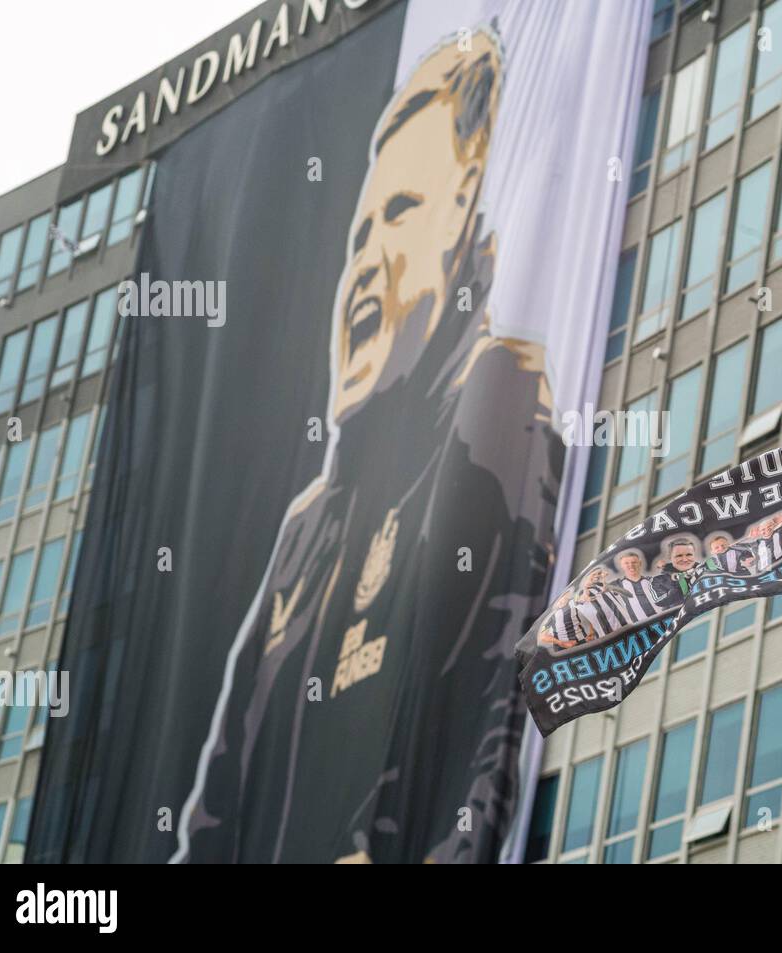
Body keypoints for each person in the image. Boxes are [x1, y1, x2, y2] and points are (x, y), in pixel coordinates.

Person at [173, 28, 559, 864]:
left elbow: (492, 743)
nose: (363, 267)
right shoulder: (304, 532)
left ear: (468, 230)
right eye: (358, 237)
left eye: (403, 214)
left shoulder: (502, 424)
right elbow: (211, 821)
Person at [614, 549, 663, 623]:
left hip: (662, 620)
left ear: (640, 563)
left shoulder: (652, 580)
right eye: (626, 563)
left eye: (634, 562)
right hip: (639, 628)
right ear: (621, 566)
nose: (631, 565)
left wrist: (664, 567)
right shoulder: (617, 586)